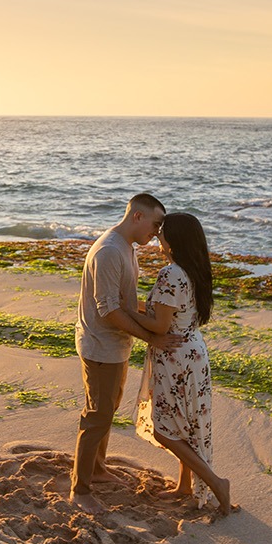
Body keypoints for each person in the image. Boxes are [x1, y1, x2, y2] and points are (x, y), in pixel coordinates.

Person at [71, 193, 183, 514]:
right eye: (155, 224)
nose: (157, 232)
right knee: (97, 415)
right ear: (137, 217)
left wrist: (164, 315)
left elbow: (127, 302)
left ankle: (97, 468)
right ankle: (80, 489)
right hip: (100, 345)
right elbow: (109, 311)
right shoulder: (109, 252)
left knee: (107, 408)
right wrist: (152, 337)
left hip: (115, 345)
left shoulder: (127, 249)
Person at [126, 211, 232, 515]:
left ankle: (215, 482)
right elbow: (170, 313)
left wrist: (124, 309)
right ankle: (185, 485)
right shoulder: (194, 269)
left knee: (165, 429)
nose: (158, 237)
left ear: (173, 239)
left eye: (162, 232)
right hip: (193, 352)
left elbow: (159, 325)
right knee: (186, 424)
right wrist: (134, 305)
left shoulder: (171, 273)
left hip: (174, 357)